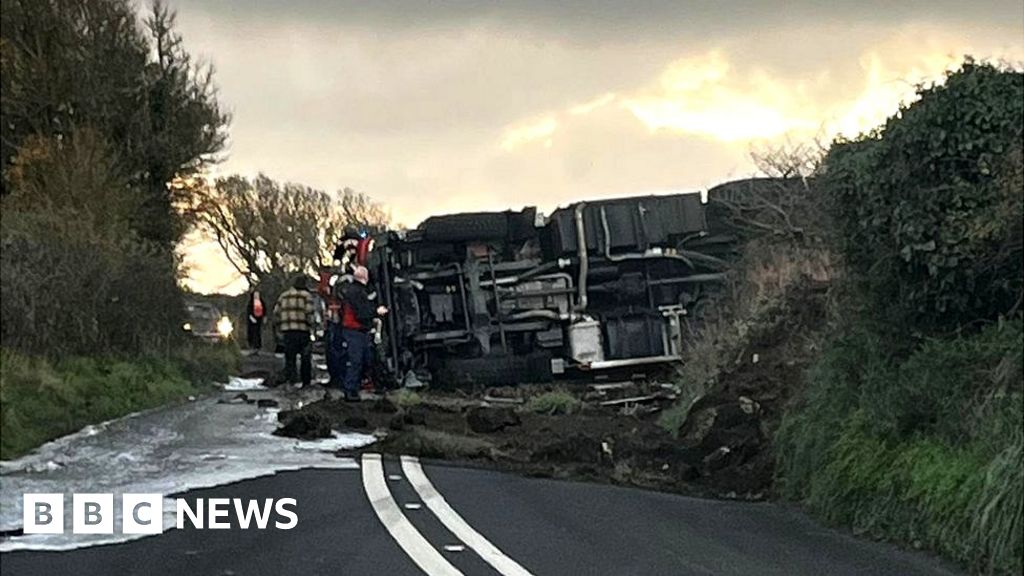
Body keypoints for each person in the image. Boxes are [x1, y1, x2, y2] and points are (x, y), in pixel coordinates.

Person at [340, 266, 387, 401]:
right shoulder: (358, 292)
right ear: (365, 277)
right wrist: (376, 312)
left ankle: (354, 388)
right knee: (357, 361)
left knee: (361, 360)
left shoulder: (351, 291)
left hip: (354, 330)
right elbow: (362, 313)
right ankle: (351, 390)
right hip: (356, 330)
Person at [273, 276, 315, 388]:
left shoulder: (284, 296)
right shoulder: (306, 296)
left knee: (290, 358)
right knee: (305, 358)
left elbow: (276, 313)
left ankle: (291, 381)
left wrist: (280, 327)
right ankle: (306, 382)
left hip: (288, 331)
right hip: (302, 331)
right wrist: (313, 327)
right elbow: (309, 314)